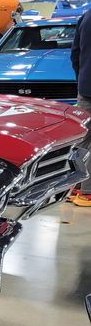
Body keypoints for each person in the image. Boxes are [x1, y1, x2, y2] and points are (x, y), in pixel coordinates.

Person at [69, 12, 91, 206]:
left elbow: (74, 53)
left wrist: (82, 79)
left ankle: (72, 185)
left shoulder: (86, 16)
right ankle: (88, 192)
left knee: (81, 140)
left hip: (85, 88)